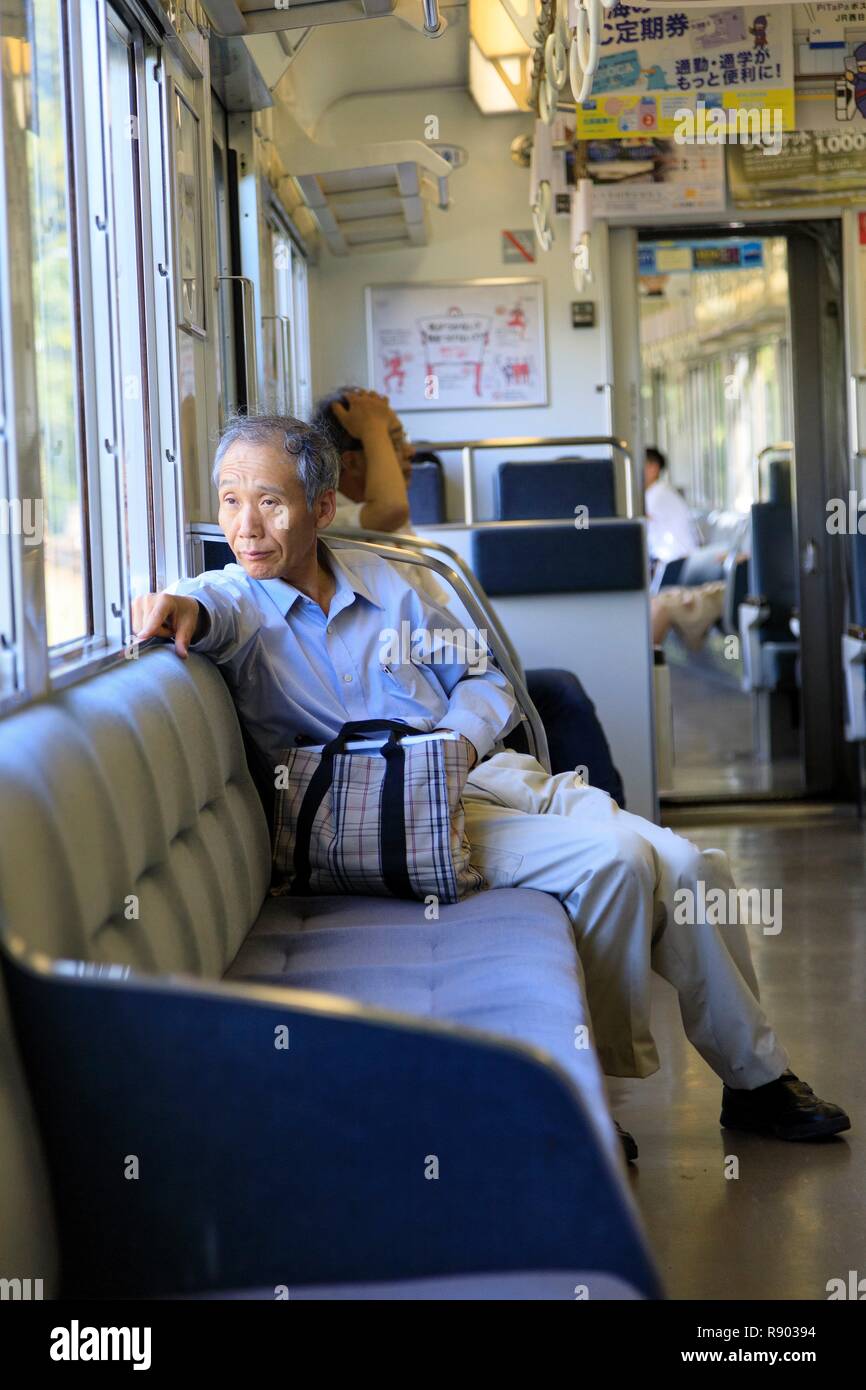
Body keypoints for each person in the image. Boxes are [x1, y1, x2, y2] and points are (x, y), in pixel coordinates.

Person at [132, 415, 850, 1153]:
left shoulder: (392, 584)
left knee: (695, 868)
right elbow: (207, 605)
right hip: (391, 817)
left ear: (319, 509)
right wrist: (179, 607)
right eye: (228, 501)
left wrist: (457, 745)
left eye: (270, 503)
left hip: (482, 773)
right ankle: (584, 1097)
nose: (246, 526)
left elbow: (482, 678)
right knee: (617, 863)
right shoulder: (242, 602)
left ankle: (756, 1083)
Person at [311, 387, 413, 534]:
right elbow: (391, 509)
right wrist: (373, 425)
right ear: (351, 462)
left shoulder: (391, 499)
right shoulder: (325, 516)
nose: (410, 452)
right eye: (394, 443)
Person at [644, 445, 701, 565]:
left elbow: (638, 522)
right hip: (673, 560)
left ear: (654, 468)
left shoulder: (659, 494)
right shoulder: (656, 492)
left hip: (678, 561)